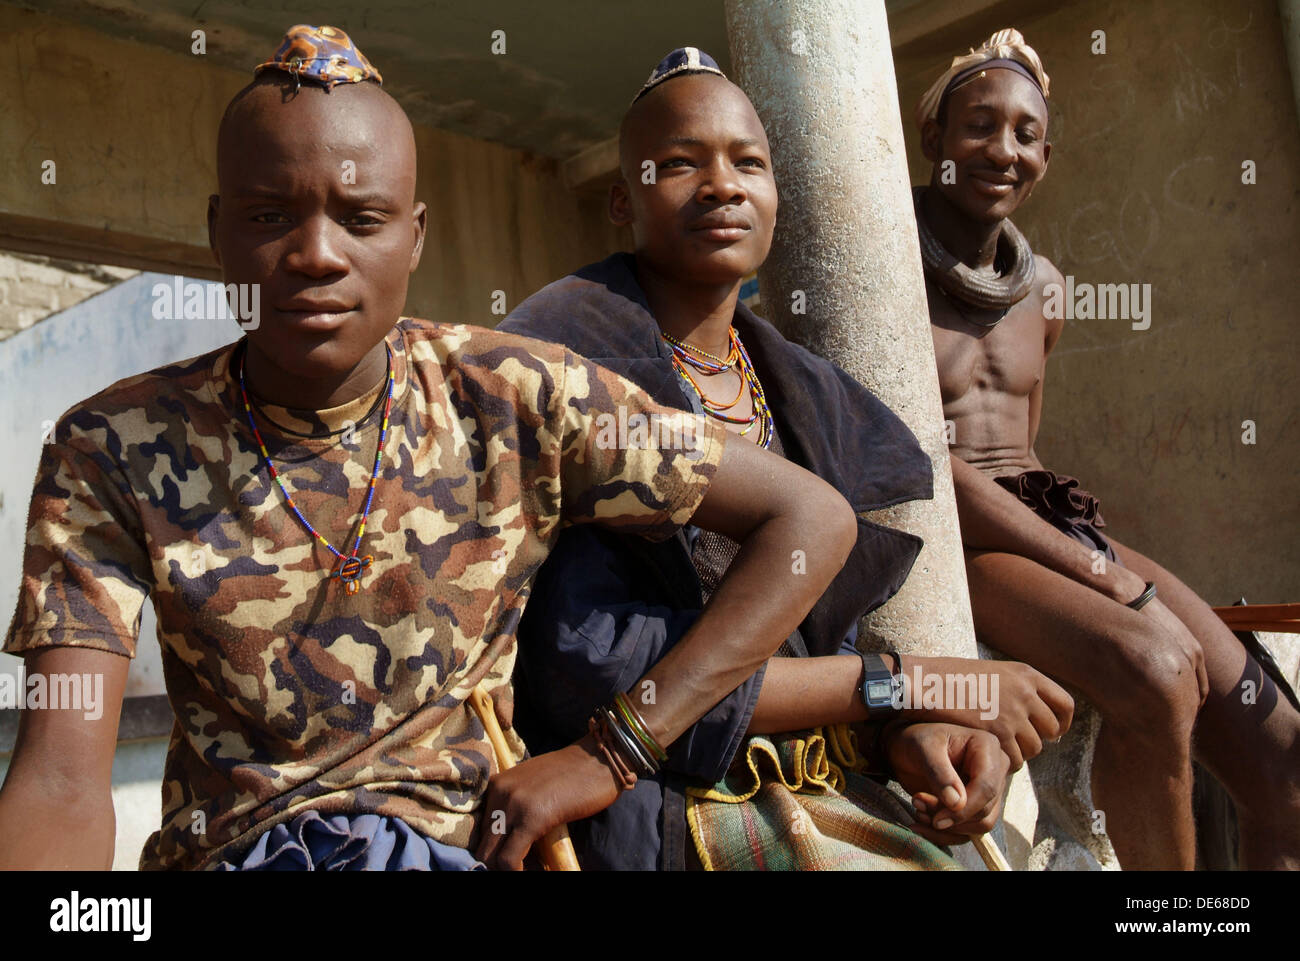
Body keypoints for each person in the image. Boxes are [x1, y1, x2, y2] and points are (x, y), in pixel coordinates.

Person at [0, 26, 862, 872]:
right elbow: (60, 778)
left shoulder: (519, 396)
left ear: (413, 237)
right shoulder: (113, 446)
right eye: (270, 216)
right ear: (219, 233)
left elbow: (810, 518)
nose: (315, 255)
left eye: (361, 218)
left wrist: (618, 749)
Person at [499, 47, 1073, 870]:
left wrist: (911, 733)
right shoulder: (569, 364)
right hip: (645, 797)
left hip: (814, 771)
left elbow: (804, 643)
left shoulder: (794, 388)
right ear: (623, 200)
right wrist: (921, 682)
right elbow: (594, 661)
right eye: (682, 164)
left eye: (749, 164)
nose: (723, 185)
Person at [914, 28, 1300, 869]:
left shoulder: (1044, 286)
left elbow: (1026, 451)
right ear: (931, 139)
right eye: (979, 125)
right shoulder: (888, 270)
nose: (1003, 150)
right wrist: (1095, 574)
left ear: (1047, 154)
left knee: (1282, 747)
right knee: (1161, 672)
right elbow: (924, 465)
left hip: (1043, 519)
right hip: (952, 535)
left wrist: (1093, 560)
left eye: (1025, 134)